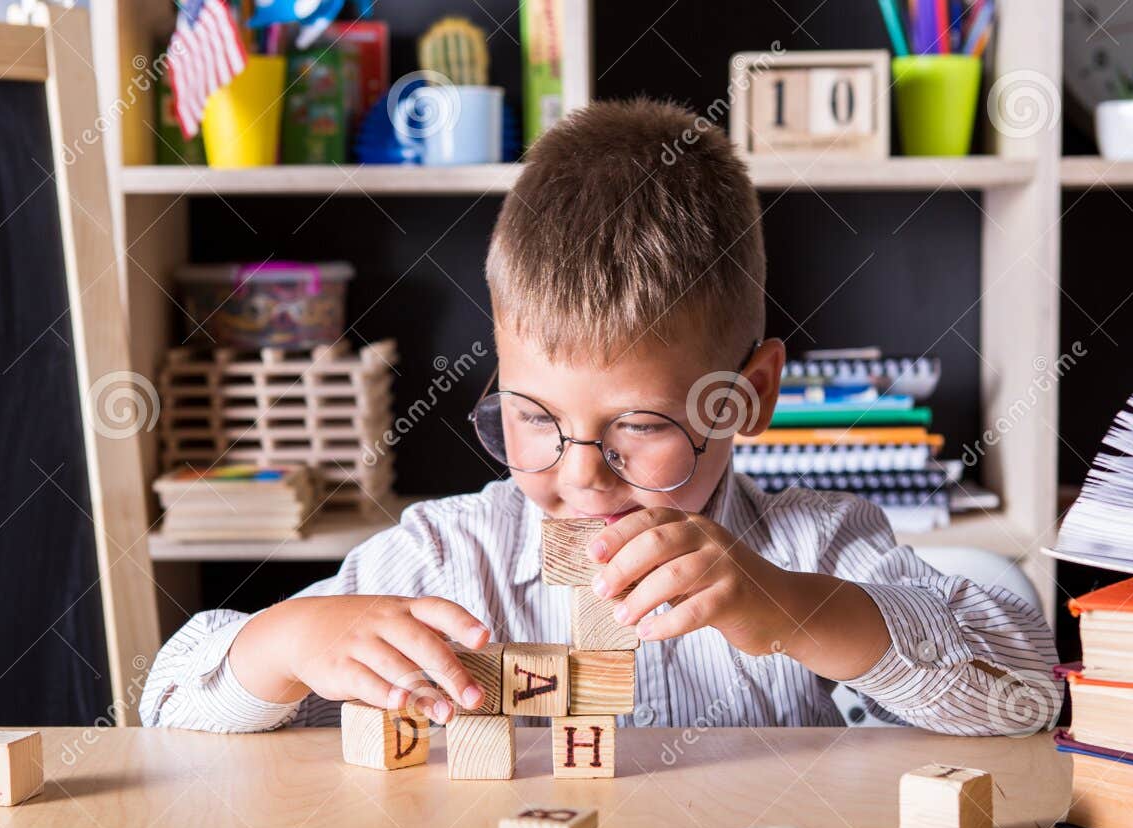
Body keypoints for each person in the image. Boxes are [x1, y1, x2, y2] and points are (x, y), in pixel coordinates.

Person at [142, 98, 1058, 735]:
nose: (579, 477)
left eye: (639, 428)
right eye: (532, 417)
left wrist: (797, 613)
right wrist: (287, 644)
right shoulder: (438, 559)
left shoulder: (817, 546)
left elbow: (1025, 698)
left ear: (751, 395)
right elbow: (168, 709)